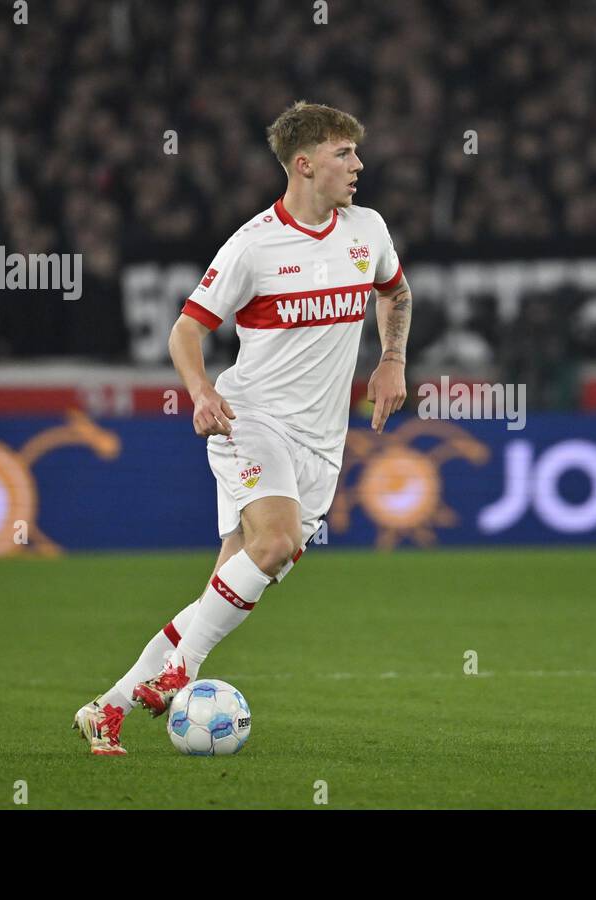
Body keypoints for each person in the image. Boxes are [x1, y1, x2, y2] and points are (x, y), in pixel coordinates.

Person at [74, 101, 411, 754]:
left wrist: (392, 360)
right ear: (305, 164)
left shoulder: (367, 230)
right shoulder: (254, 245)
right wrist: (200, 390)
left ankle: (108, 710)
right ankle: (183, 671)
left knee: (232, 580)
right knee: (279, 541)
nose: (359, 165)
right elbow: (186, 329)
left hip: (321, 443)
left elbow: (395, 293)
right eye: (345, 154)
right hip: (249, 420)